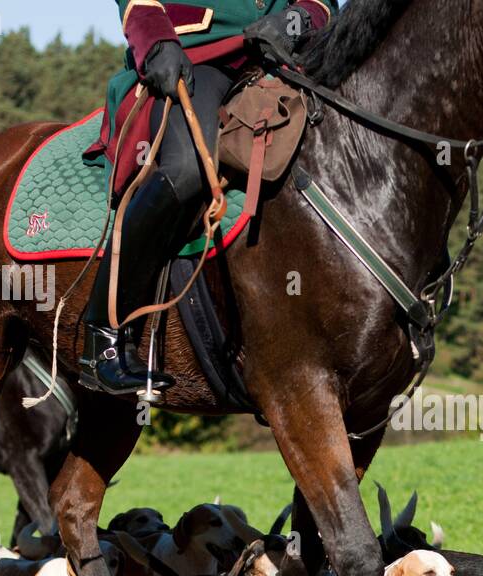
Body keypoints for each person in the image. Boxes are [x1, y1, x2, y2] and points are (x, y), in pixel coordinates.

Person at [80, 1, 336, 396]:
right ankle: (104, 337)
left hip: (285, 57)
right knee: (186, 170)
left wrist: (301, 16)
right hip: (201, 55)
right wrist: (155, 40)